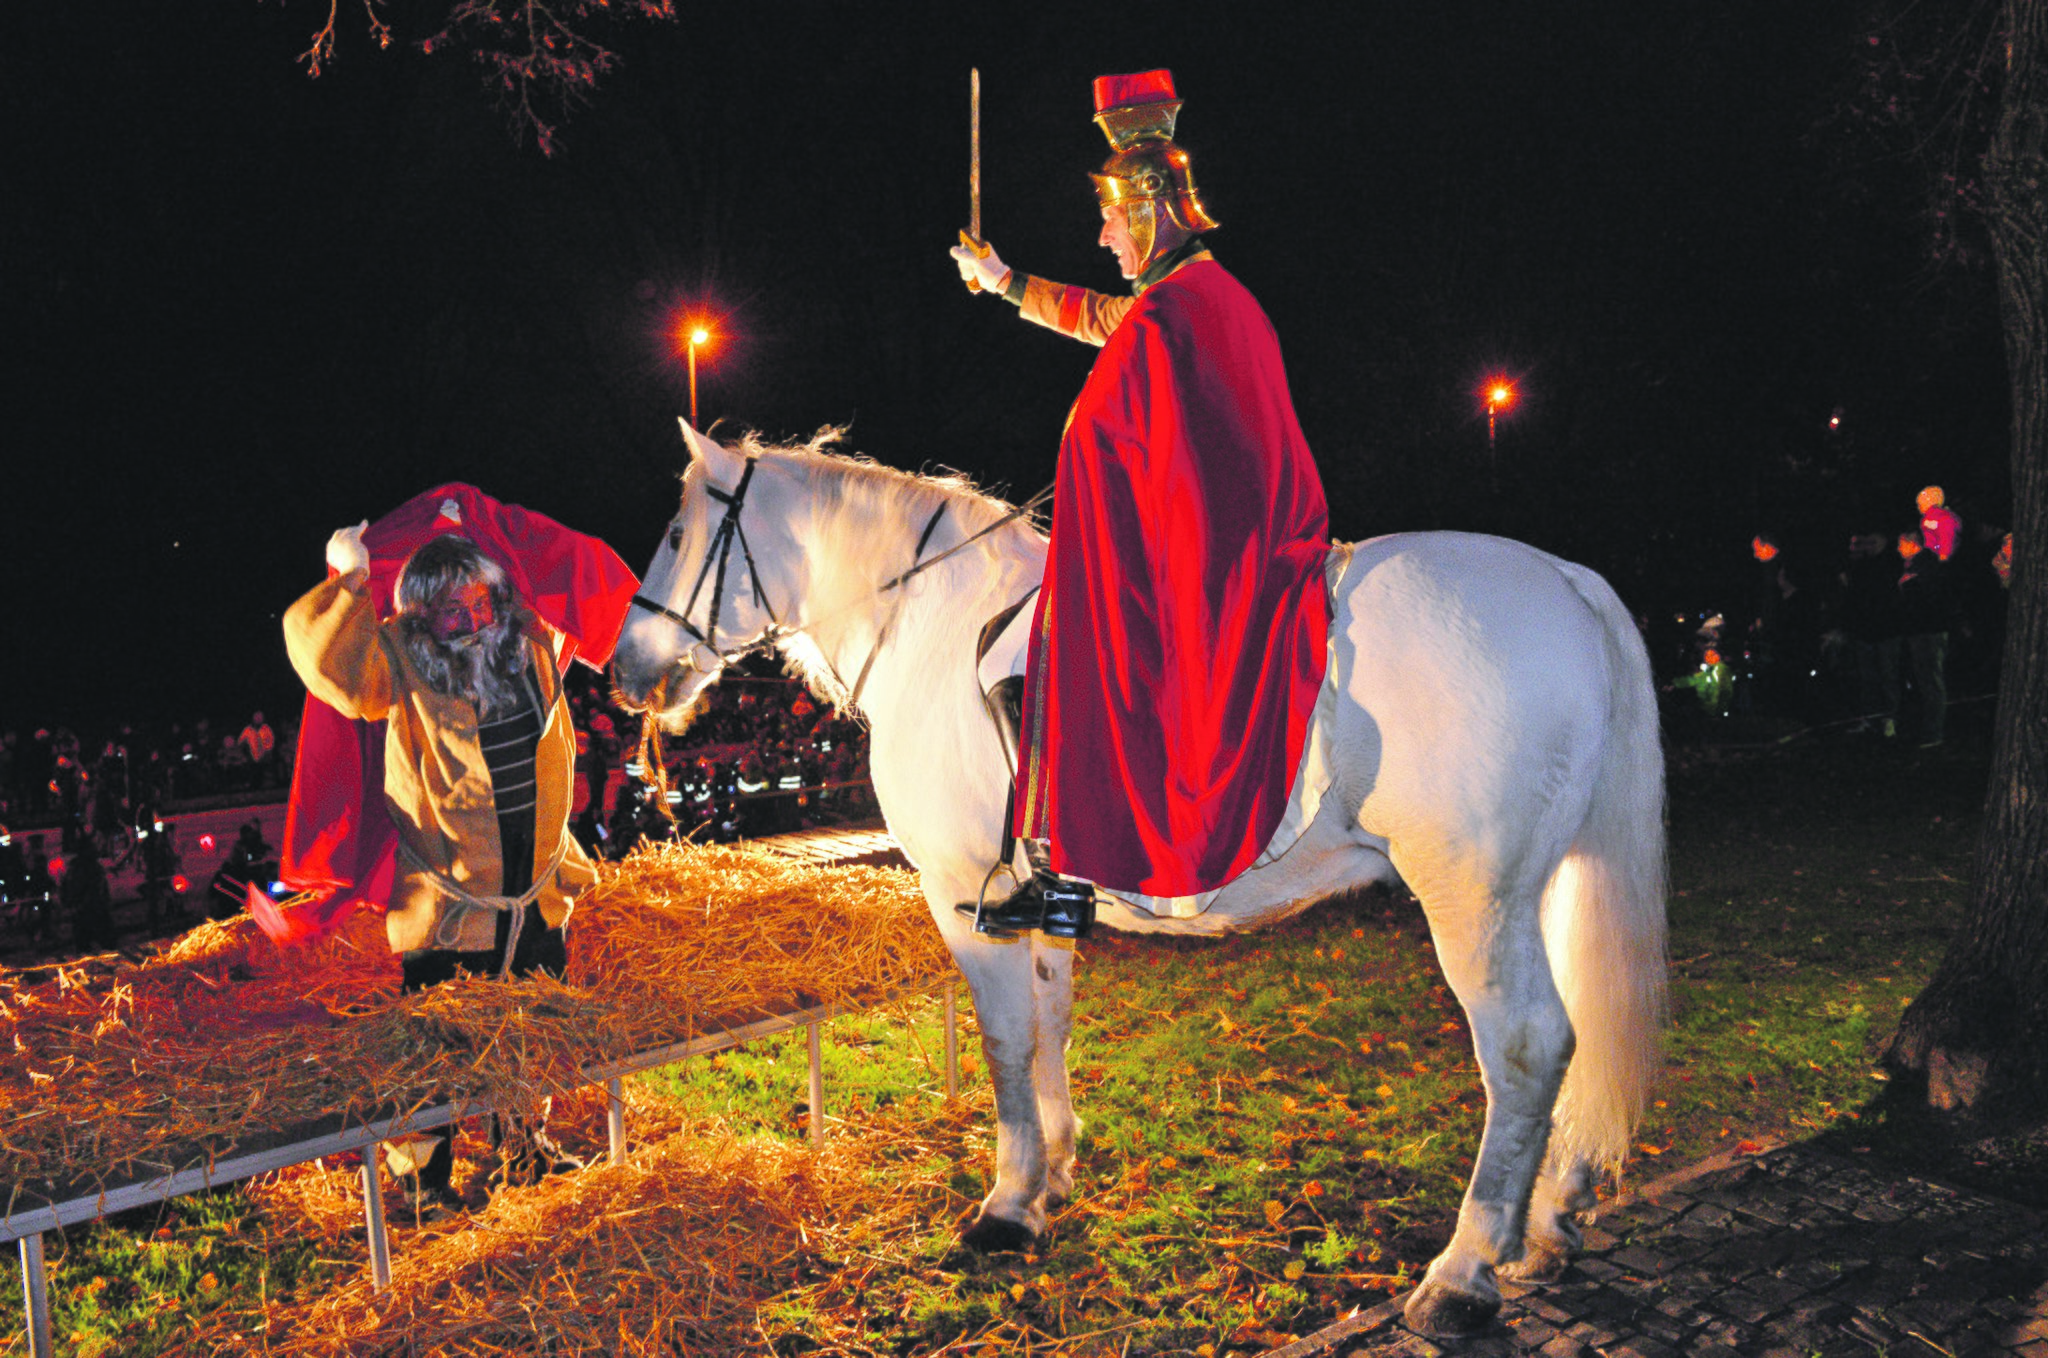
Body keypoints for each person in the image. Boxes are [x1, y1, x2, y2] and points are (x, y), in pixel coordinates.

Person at [950, 69, 1331, 937]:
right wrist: (1004, 280)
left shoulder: (1171, 315)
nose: (1101, 234)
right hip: (1249, 533)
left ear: (1151, 213)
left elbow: (1103, 433)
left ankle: (1061, 868)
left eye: (1111, 218)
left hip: (1199, 559)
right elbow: (1104, 320)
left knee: (1017, 650)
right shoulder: (1207, 298)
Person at [286, 527, 597, 1212]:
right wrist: (347, 578)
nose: (472, 621)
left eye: (481, 603)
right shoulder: (395, 659)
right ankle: (424, 1184)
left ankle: (523, 1150)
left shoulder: (528, 643)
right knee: (434, 1053)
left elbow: (577, 598)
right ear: (419, 613)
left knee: (530, 1029)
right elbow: (334, 669)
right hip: (450, 905)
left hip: (535, 890)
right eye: (454, 611)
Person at [1895, 530, 1952, 748]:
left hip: (1927, 632)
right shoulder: (1917, 568)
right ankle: (1924, 728)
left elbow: (1925, 601)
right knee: (1924, 680)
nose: (1899, 549)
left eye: (1902, 544)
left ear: (1912, 544)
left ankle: (1933, 732)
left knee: (1930, 681)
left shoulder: (1925, 569)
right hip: (1920, 630)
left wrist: (1908, 587)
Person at [1916, 486, 1962, 563]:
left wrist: (1943, 556)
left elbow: (1946, 537)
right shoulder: (1932, 518)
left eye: (1919, 504)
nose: (1919, 507)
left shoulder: (1942, 518)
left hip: (1938, 558)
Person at [237, 711, 277, 786]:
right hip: (250, 756)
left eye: (260, 718)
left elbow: (270, 743)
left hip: (264, 755)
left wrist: (266, 752)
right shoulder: (248, 730)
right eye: (256, 717)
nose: (258, 719)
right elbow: (240, 743)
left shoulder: (266, 729)